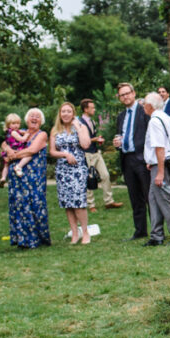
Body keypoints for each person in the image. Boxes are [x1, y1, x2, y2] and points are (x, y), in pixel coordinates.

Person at [141, 92, 170, 245]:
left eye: (144, 104)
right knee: (153, 199)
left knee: (165, 199)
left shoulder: (154, 121)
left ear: (149, 106)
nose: (143, 108)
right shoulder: (167, 118)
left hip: (163, 165)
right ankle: (156, 235)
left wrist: (159, 172)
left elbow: (160, 147)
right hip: (169, 162)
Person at [6, 108, 50, 249]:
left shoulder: (42, 134)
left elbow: (32, 150)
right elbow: (4, 142)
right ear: (26, 119)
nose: (35, 118)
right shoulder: (20, 132)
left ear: (41, 121)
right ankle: (22, 240)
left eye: (38, 116)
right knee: (19, 206)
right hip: (18, 176)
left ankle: (37, 239)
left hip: (34, 176)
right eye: (32, 116)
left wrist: (14, 155)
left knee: (35, 205)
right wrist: (7, 150)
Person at [113, 82, 150, 240]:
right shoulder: (121, 117)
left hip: (142, 158)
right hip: (127, 160)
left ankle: (157, 231)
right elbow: (120, 136)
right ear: (119, 98)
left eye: (127, 93)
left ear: (134, 93)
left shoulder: (144, 112)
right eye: (122, 95)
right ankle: (140, 231)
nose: (126, 96)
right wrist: (117, 144)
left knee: (149, 196)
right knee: (135, 198)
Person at [51, 102, 92, 244]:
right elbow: (52, 151)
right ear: (60, 114)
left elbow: (86, 145)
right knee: (67, 203)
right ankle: (75, 233)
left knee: (79, 202)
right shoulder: (55, 130)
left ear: (73, 114)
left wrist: (78, 128)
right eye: (63, 111)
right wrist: (64, 155)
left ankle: (85, 232)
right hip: (62, 170)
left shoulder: (81, 127)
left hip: (78, 169)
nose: (66, 114)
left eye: (69, 111)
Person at [79, 99, 121, 213]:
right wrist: (96, 139)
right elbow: (81, 140)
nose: (94, 109)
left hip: (95, 152)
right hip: (86, 153)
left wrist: (97, 140)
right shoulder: (79, 122)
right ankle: (91, 204)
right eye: (92, 108)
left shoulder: (92, 122)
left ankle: (109, 201)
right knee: (90, 178)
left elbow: (91, 137)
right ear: (86, 109)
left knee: (105, 175)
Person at [0, 113, 32, 185]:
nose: (16, 125)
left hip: (9, 151)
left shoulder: (10, 131)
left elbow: (19, 132)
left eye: (18, 123)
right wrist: (26, 135)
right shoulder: (13, 132)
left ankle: (3, 177)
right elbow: (21, 139)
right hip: (16, 149)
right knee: (29, 156)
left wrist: (23, 132)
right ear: (8, 124)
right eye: (13, 123)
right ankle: (18, 167)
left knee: (6, 165)